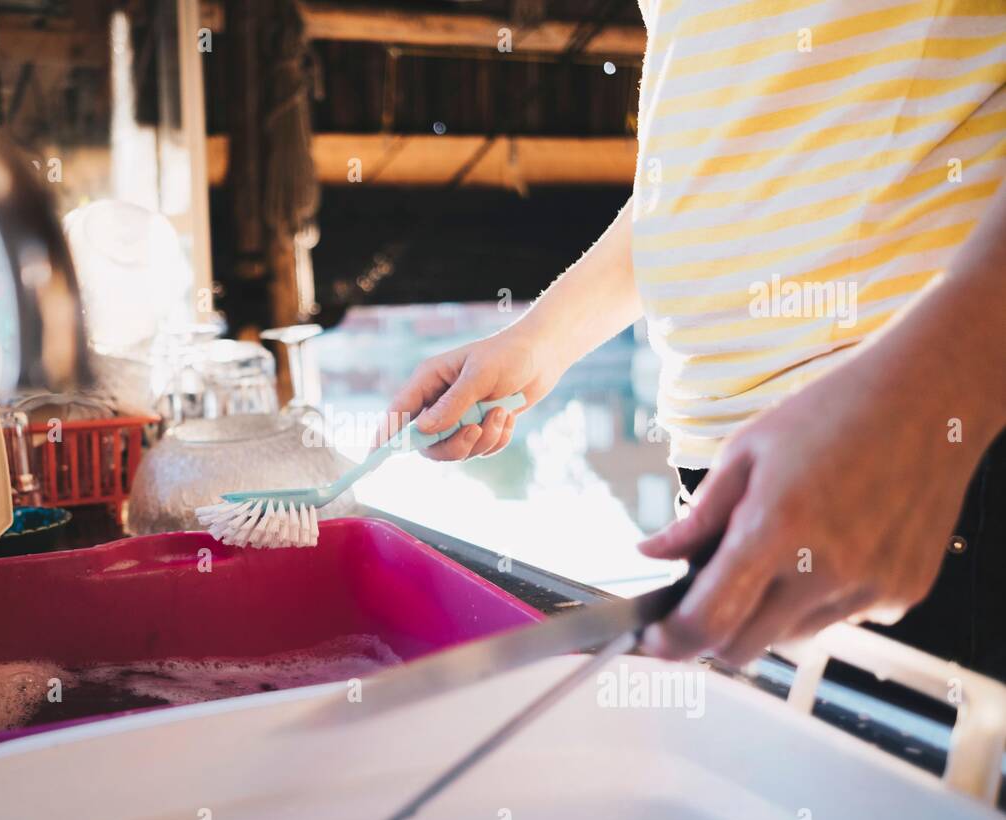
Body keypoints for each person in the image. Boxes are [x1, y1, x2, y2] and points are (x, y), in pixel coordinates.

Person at [382, 2, 1006, 679]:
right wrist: (538, 341)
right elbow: (702, 170)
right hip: (726, 473)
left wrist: (931, 398)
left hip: (923, 456)